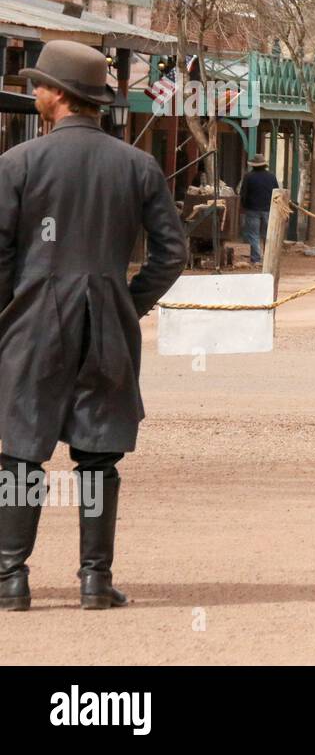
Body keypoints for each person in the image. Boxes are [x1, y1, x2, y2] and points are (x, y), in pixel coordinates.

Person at [0, 41, 187, 611]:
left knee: (21, 454)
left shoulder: (16, 165)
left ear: (59, 95)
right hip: (108, 322)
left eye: (40, 86)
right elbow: (171, 253)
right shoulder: (138, 164)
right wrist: (129, 303)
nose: (34, 94)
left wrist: (8, 313)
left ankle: (11, 580)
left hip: (31, 324)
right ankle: (94, 582)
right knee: (99, 455)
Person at [239, 153, 278, 265]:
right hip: (268, 209)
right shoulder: (271, 176)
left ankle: (256, 259)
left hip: (252, 209)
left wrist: (243, 206)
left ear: (253, 165)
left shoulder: (248, 176)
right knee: (267, 234)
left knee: (253, 234)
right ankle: (268, 258)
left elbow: (243, 193)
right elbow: (276, 192)